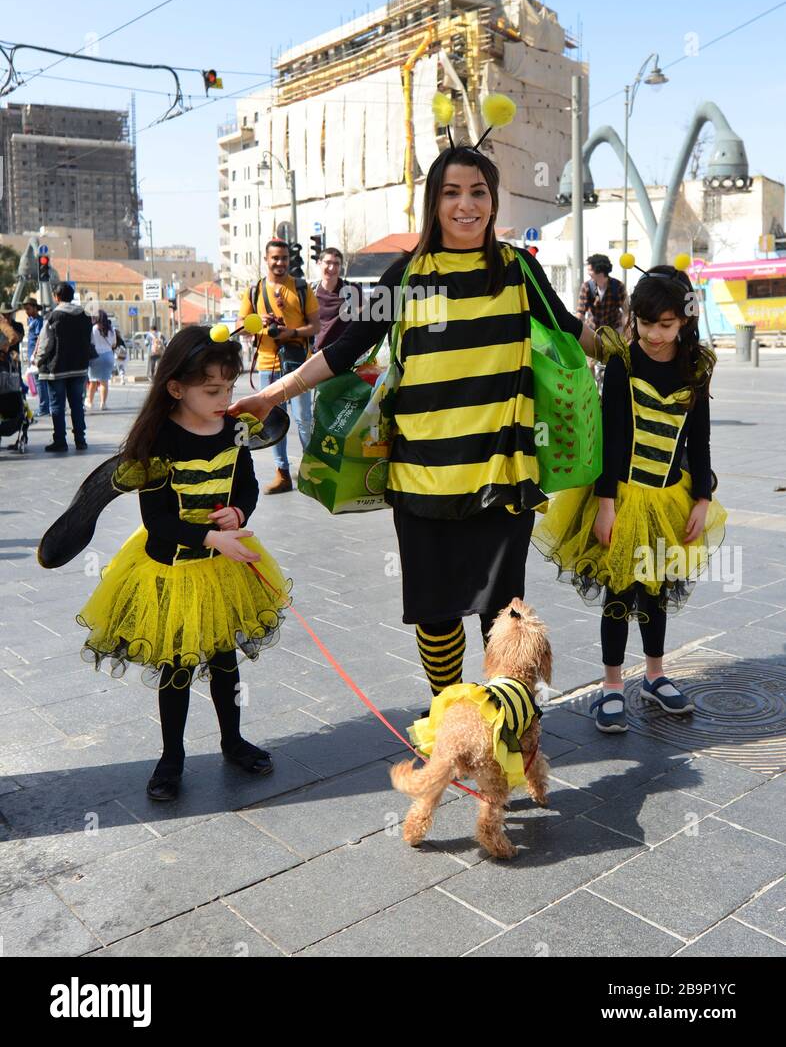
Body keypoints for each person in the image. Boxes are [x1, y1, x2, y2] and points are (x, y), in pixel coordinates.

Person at [231, 143, 598, 697]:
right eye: (452, 193)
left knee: (505, 612)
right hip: (422, 476)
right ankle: (450, 713)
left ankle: (509, 725)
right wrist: (272, 396)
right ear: (434, 202)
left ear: (493, 202)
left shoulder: (519, 270)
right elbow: (346, 347)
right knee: (433, 612)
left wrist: (640, 352)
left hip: (504, 473)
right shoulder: (409, 275)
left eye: (478, 192)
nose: (466, 205)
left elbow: (570, 330)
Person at [72, 326, 292, 801]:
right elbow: (158, 521)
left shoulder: (234, 428)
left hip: (222, 568)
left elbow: (246, 484)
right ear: (176, 388)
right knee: (177, 668)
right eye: (212, 390)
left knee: (225, 662)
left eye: (230, 388)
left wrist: (239, 512)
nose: (224, 399)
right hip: (172, 570)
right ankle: (171, 757)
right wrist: (213, 536)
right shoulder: (159, 440)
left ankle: (232, 741)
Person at [532, 263, 727, 733]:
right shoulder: (623, 361)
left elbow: (697, 440)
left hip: (669, 498)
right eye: (644, 324)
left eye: (665, 325)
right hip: (619, 496)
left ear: (684, 322)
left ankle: (655, 674)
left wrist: (702, 497)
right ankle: (612, 684)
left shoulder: (695, 367)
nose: (654, 334)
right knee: (619, 593)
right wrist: (605, 503)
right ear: (632, 319)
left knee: (656, 590)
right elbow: (610, 437)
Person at [238, 239, 320, 495]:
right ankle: (282, 473)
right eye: (275, 258)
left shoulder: (302, 288)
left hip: (298, 364)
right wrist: (257, 321)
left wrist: (291, 332)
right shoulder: (254, 291)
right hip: (267, 364)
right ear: (266, 259)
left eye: (284, 258)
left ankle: (311, 473)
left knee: (304, 419)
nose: (280, 262)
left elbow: (315, 326)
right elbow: (241, 325)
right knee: (273, 421)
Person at [36, 282, 93, 453]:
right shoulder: (84, 315)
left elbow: (45, 343)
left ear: (57, 297)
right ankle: (80, 440)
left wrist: (39, 360)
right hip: (79, 367)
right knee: (77, 404)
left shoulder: (54, 316)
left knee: (57, 406)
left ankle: (60, 441)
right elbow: (89, 340)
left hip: (57, 368)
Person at [313, 247, 360, 353]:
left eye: (336, 264)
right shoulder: (310, 292)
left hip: (344, 353)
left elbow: (362, 322)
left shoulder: (352, 290)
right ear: (319, 263)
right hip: (315, 354)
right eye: (328, 262)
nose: (331, 267)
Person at [577, 254, 627, 334]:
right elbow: (580, 313)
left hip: (613, 330)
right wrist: (576, 331)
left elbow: (626, 310)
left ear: (599, 271)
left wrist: (626, 330)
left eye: (590, 270)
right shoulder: (587, 286)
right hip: (593, 330)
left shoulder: (617, 286)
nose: (588, 273)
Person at [22, 297, 50, 419]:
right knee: (39, 381)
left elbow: (39, 338)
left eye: (28, 309)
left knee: (40, 382)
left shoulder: (38, 321)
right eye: (25, 309)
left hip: (36, 356)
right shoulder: (31, 320)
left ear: (34, 308)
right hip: (32, 355)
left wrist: (34, 354)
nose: (26, 311)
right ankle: (44, 406)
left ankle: (44, 407)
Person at [86, 309, 117, 411]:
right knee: (104, 381)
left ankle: (90, 402)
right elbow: (114, 344)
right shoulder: (112, 329)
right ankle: (103, 404)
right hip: (108, 356)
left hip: (96, 356)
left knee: (93, 381)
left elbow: (91, 342)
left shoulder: (93, 329)